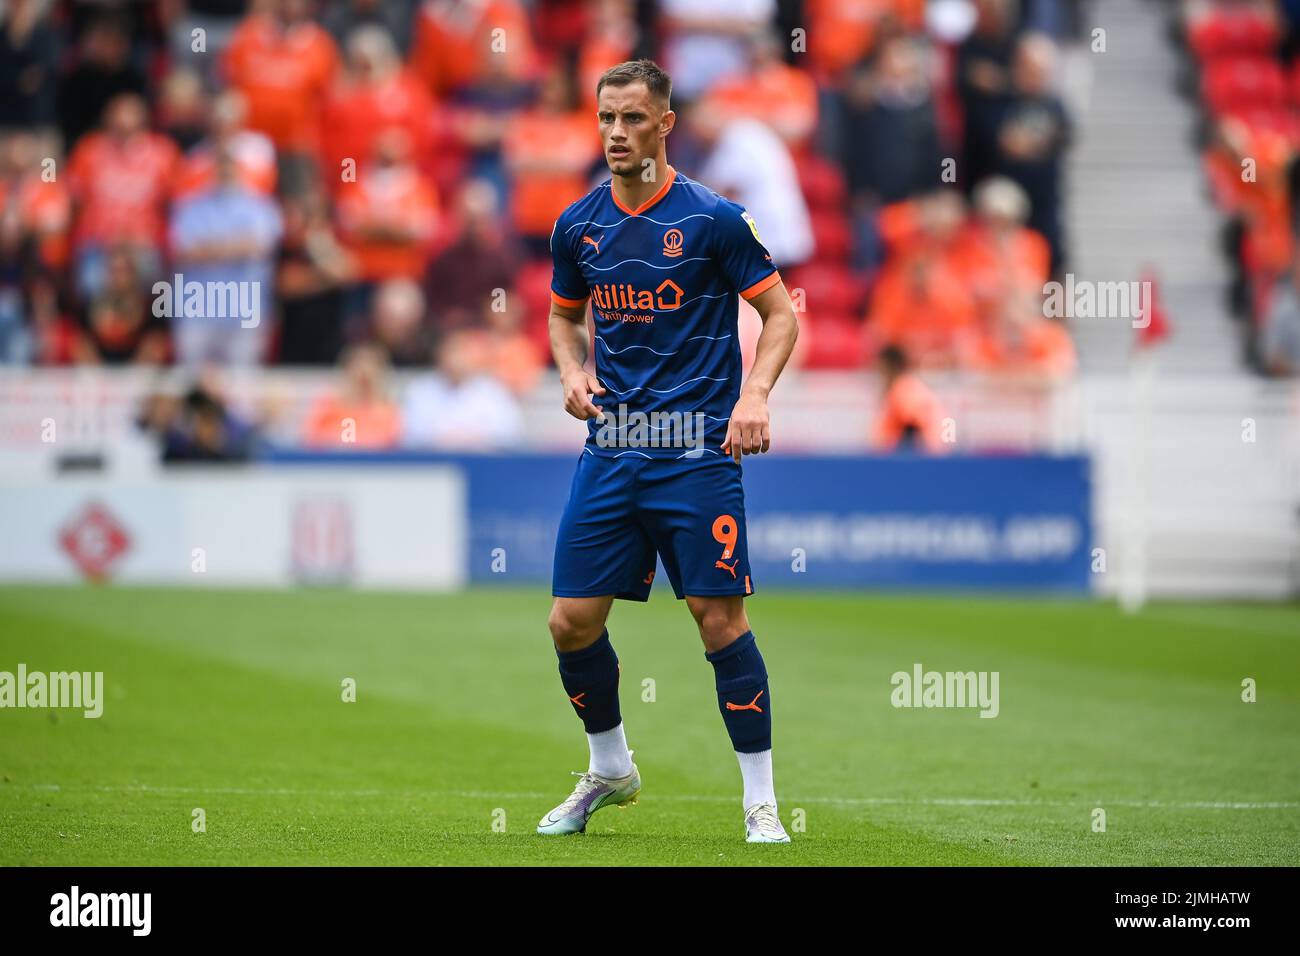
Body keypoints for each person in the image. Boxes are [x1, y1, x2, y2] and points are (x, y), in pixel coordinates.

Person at [541, 60, 800, 843]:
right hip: (613, 447)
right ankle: (611, 768)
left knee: (718, 621)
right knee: (569, 623)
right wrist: (570, 368)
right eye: (605, 119)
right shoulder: (578, 224)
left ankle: (760, 801)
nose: (616, 133)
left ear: (664, 123)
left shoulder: (716, 220)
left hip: (695, 451)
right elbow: (561, 317)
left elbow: (781, 316)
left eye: (630, 118)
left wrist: (754, 396)